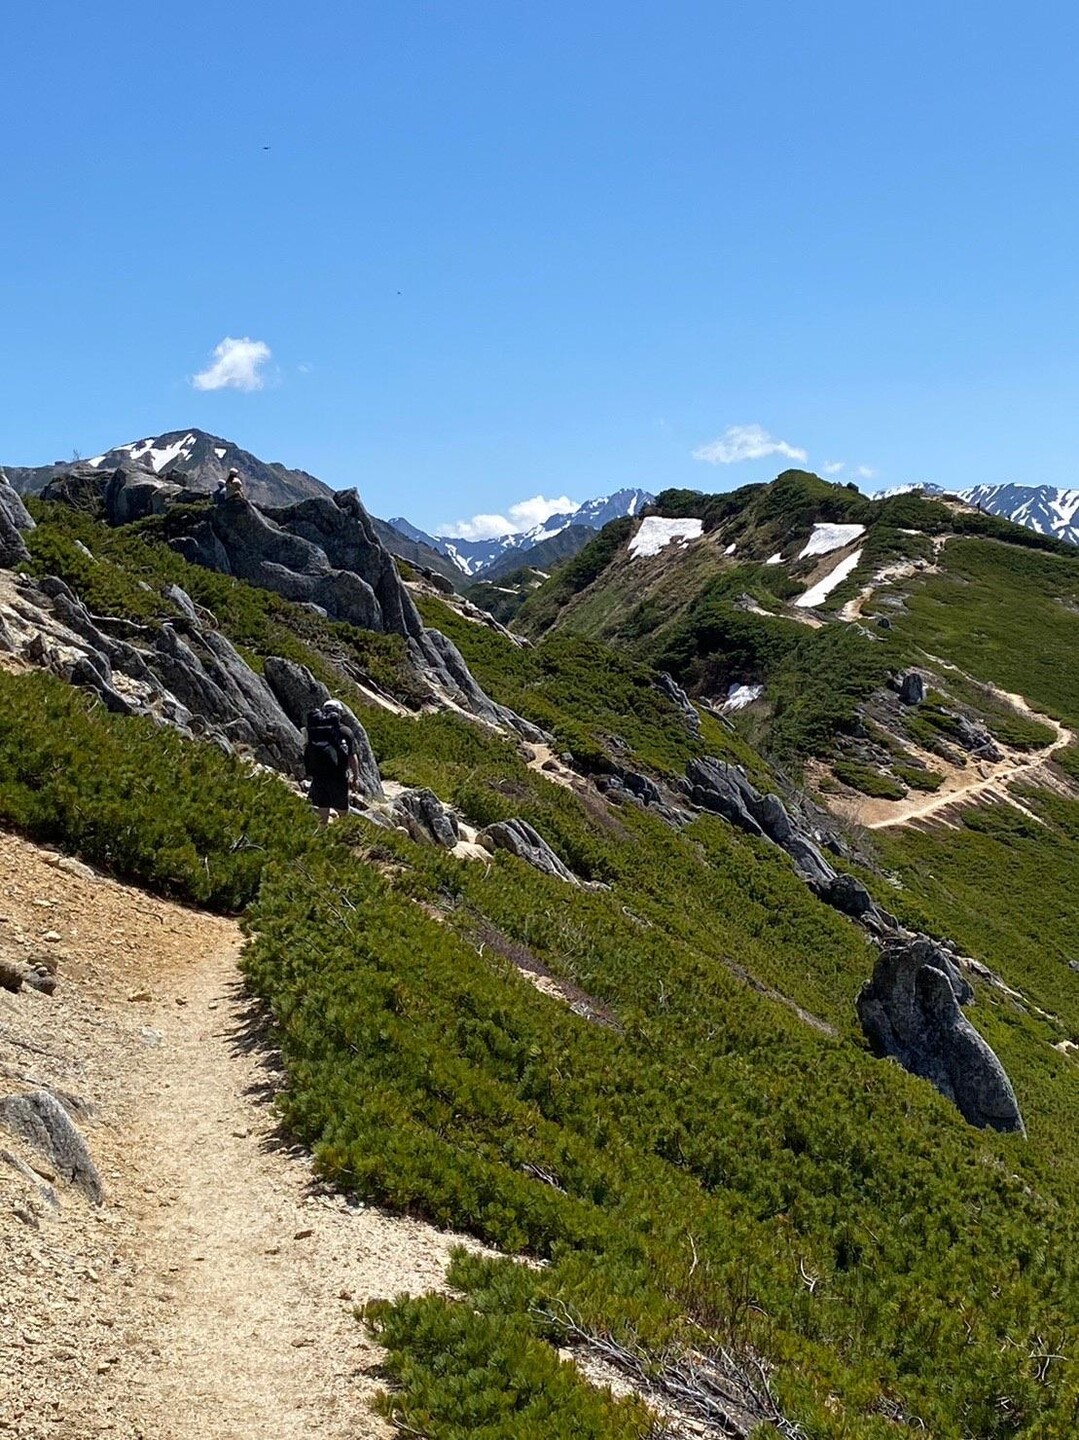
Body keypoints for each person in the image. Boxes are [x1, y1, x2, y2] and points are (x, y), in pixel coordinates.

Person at [303, 699, 360, 824]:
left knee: (322, 806)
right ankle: (344, 833)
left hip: (318, 775)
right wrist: (355, 777)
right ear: (339, 713)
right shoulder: (345, 731)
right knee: (342, 809)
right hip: (338, 776)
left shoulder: (314, 730)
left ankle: (322, 833)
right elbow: (352, 756)